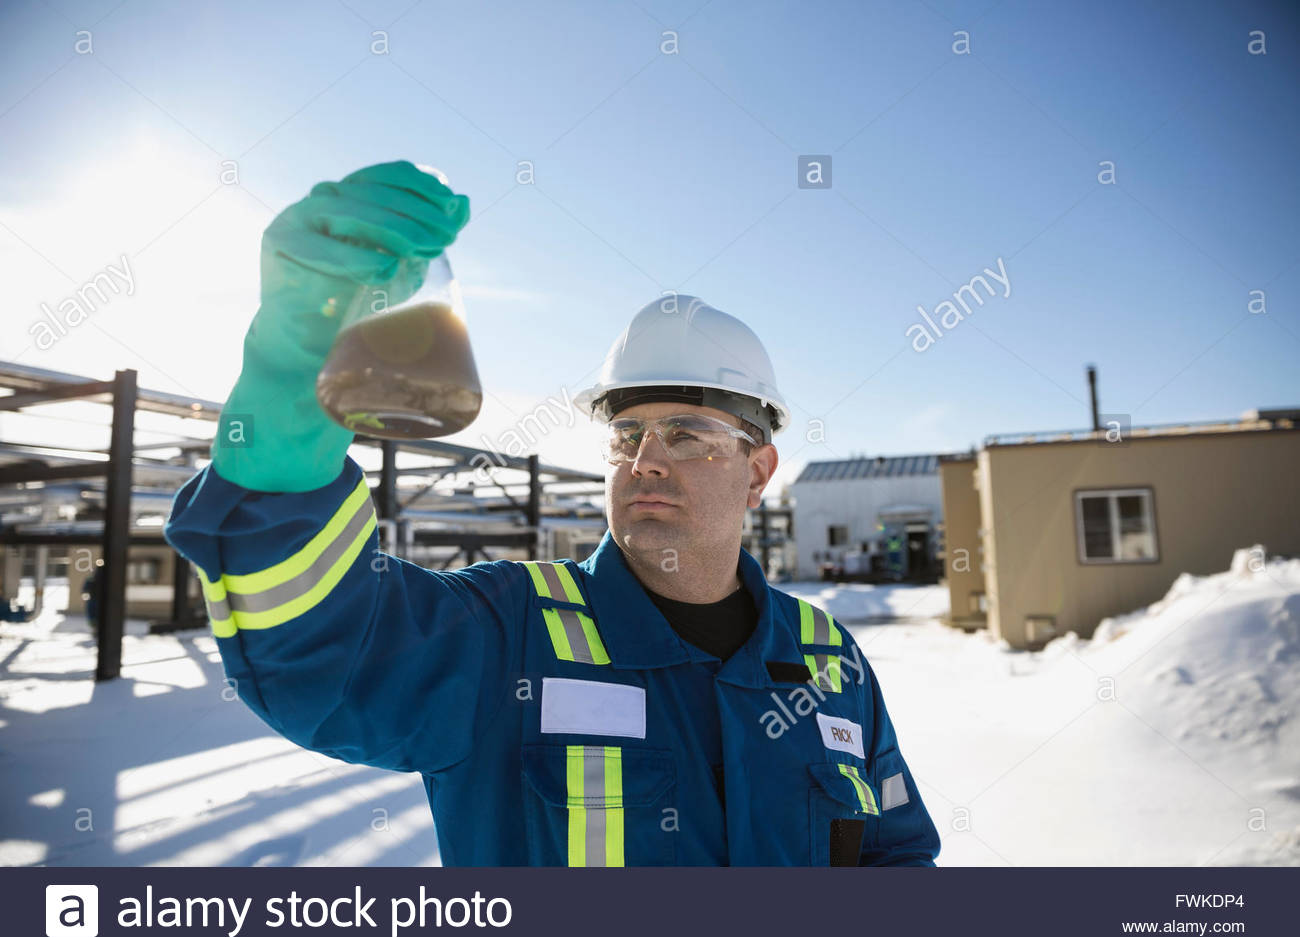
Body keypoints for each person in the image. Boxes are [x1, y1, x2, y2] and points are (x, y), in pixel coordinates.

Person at [163, 161, 940, 866]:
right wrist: (294, 387)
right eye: (627, 435)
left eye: (688, 435)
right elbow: (316, 650)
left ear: (758, 472)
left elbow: (894, 858)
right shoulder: (507, 636)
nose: (646, 461)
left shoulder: (828, 661)